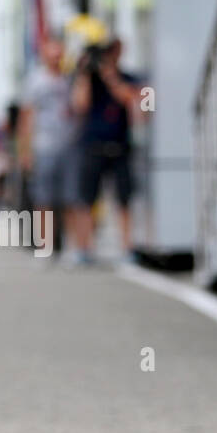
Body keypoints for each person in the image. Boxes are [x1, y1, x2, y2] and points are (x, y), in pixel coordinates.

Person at [70, 37, 144, 264]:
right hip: (92, 145)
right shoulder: (87, 81)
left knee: (124, 199)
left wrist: (110, 77)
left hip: (120, 145)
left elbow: (139, 105)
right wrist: (84, 74)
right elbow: (79, 106)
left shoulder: (128, 77)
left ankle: (127, 246)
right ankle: (84, 248)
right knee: (86, 199)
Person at [19, 35, 77, 258]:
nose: (56, 57)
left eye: (59, 52)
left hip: (69, 145)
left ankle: (72, 248)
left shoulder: (69, 79)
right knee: (44, 199)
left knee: (71, 198)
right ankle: (46, 246)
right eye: (52, 52)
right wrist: (25, 151)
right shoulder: (36, 80)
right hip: (43, 146)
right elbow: (27, 117)